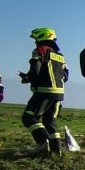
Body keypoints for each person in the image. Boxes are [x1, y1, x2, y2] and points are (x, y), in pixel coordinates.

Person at [19, 27, 69, 155]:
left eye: (35, 39)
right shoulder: (61, 56)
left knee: (29, 117)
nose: (35, 42)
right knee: (49, 121)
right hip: (59, 93)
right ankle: (56, 150)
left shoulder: (39, 50)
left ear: (41, 38)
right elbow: (66, 76)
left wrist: (28, 78)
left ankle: (42, 142)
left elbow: (36, 69)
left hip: (44, 91)